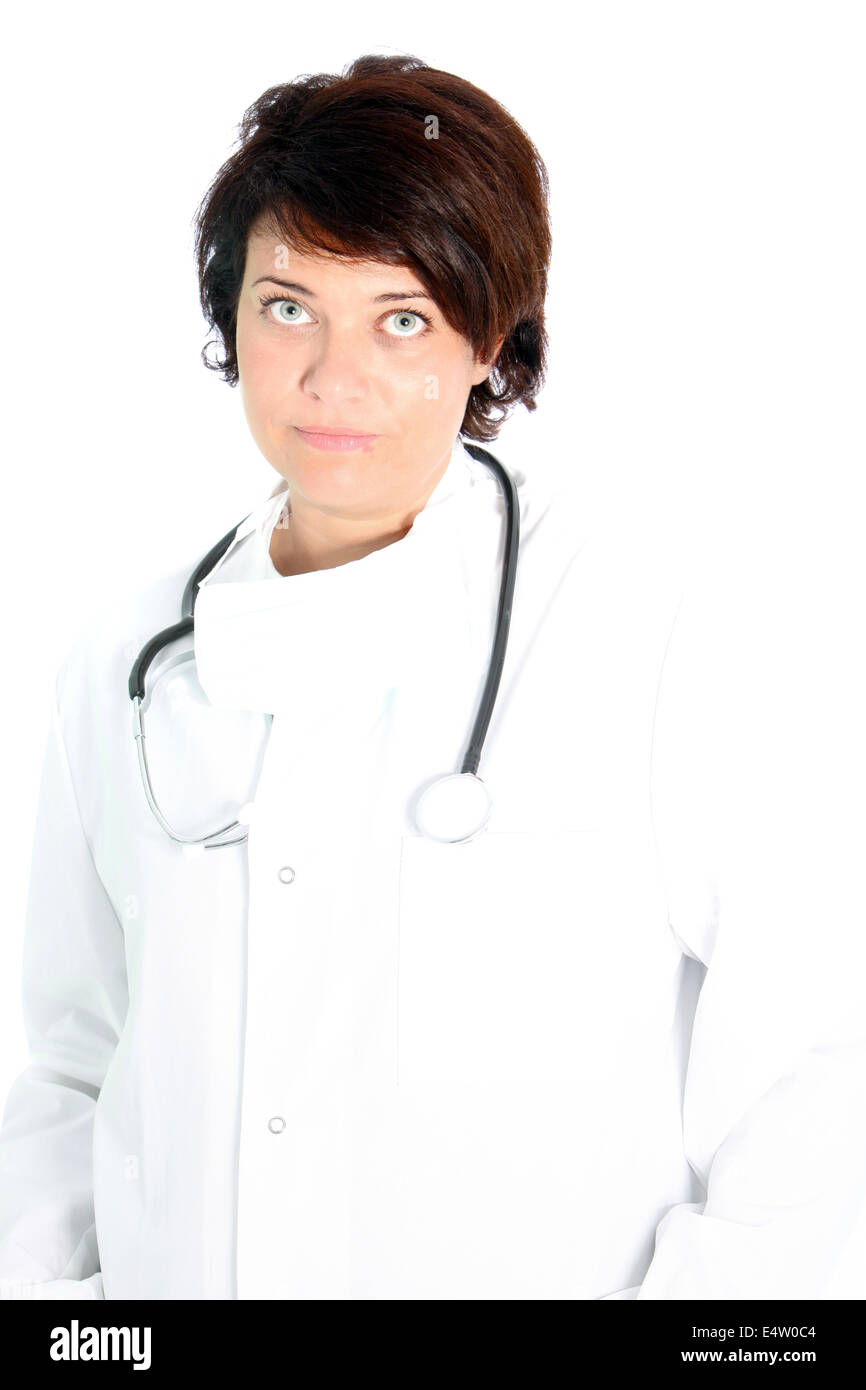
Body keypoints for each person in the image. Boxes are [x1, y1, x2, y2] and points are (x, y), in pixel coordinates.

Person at [1, 52, 864, 1302]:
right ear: (228, 320)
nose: (332, 377)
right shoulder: (127, 661)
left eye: (400, 318)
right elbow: (75, 1062)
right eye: (287, 306)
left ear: (487, 339)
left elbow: (814, 1059)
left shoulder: (658, 623)